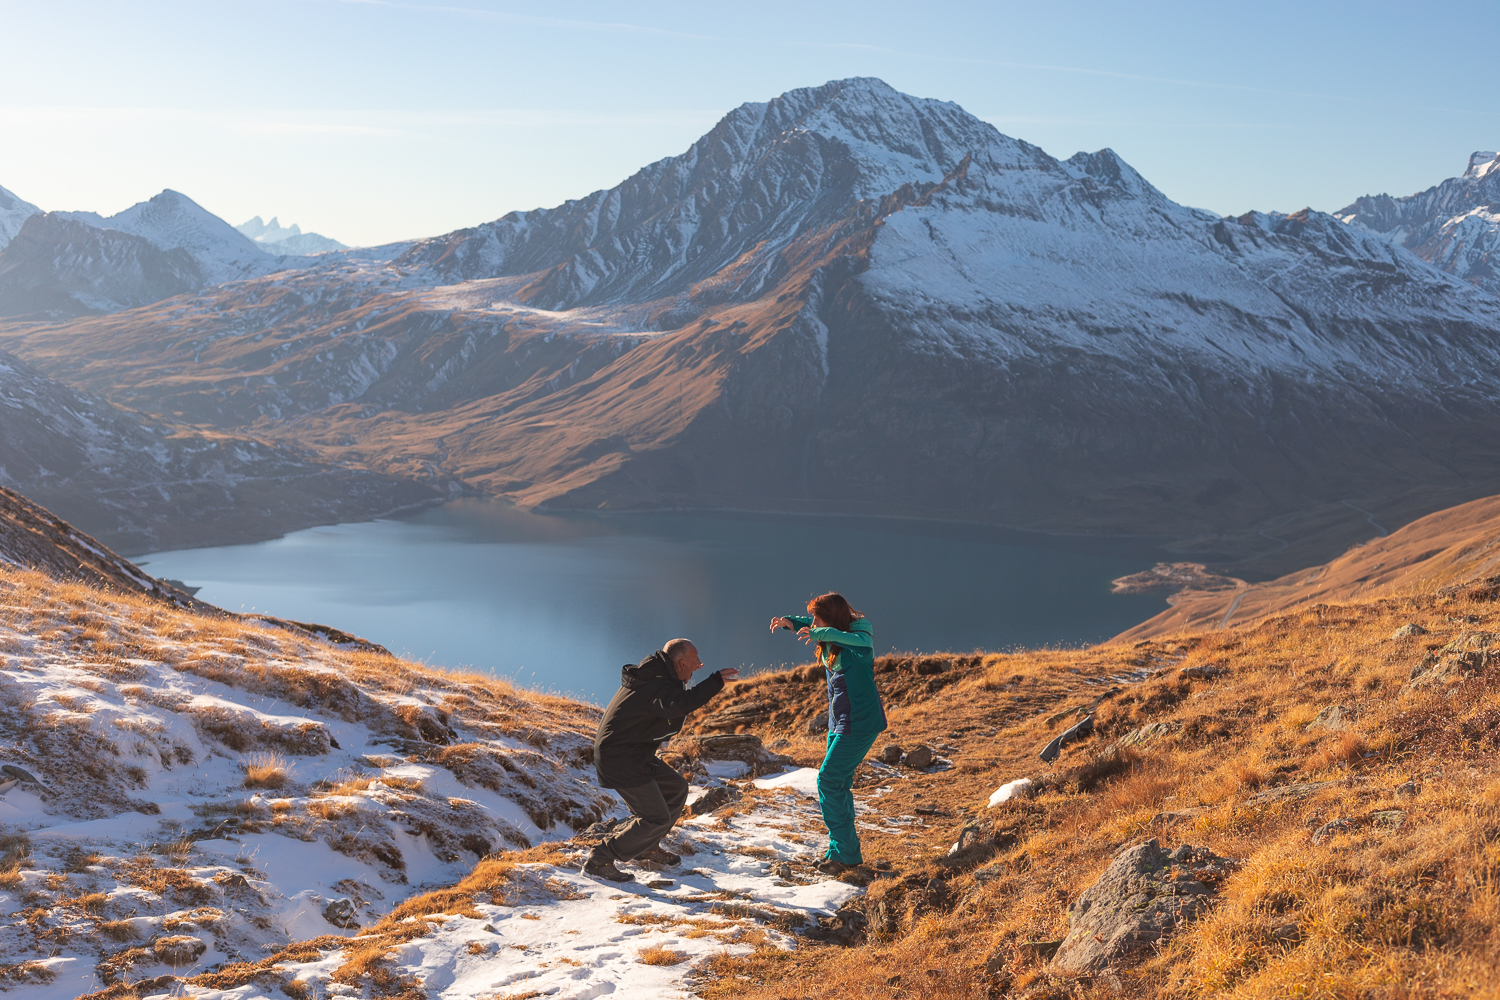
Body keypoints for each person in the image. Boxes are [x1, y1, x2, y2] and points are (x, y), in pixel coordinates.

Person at [584, 638, 738, 883]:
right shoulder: (656, 684)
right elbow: (679, 705)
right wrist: (714, 682)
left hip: (634, 753)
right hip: (620, 757)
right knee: (655, 818)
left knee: (676, 789)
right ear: (681, 661)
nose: (700, 664)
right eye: (696, 659)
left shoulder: (659, 676)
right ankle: (599, 859)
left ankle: (646, 846)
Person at [771, 592, 887, 874]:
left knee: (828, 780)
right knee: (838, 782)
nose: (812, 624)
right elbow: (813, 625)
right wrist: (790, 621)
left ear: (832, 621)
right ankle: (842, 850)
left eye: (817, 619)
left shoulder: (859, 641)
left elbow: (859, 640)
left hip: (859, 721)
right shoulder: (832, 635)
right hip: (840, 720)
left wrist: (820, 631)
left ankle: (844, 853)